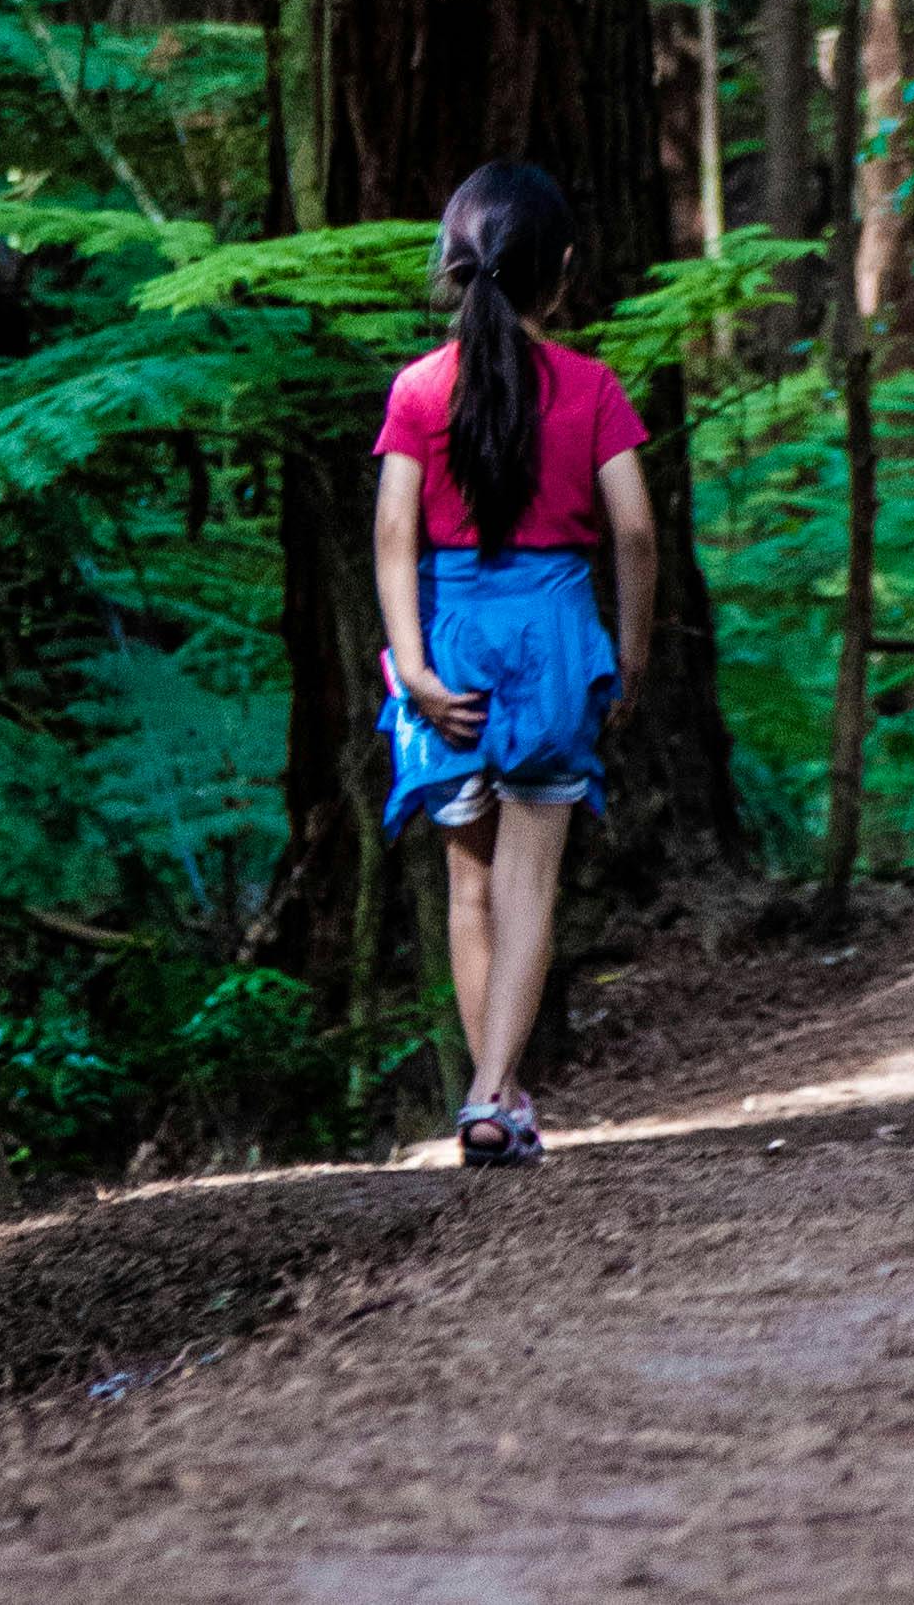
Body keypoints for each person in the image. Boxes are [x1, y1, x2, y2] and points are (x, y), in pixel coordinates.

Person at [372, 157, 656, 1165]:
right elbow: (634, 532)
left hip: (448, 638)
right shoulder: (592, 387)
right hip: (551, 640)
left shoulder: (417, 389)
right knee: (529, 882)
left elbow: (394, 530)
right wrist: (631, 650)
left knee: (469, 883)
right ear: (562, 270)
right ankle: (494, 1096)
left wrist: (412, 666)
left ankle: (492, 1094)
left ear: (455, 267)